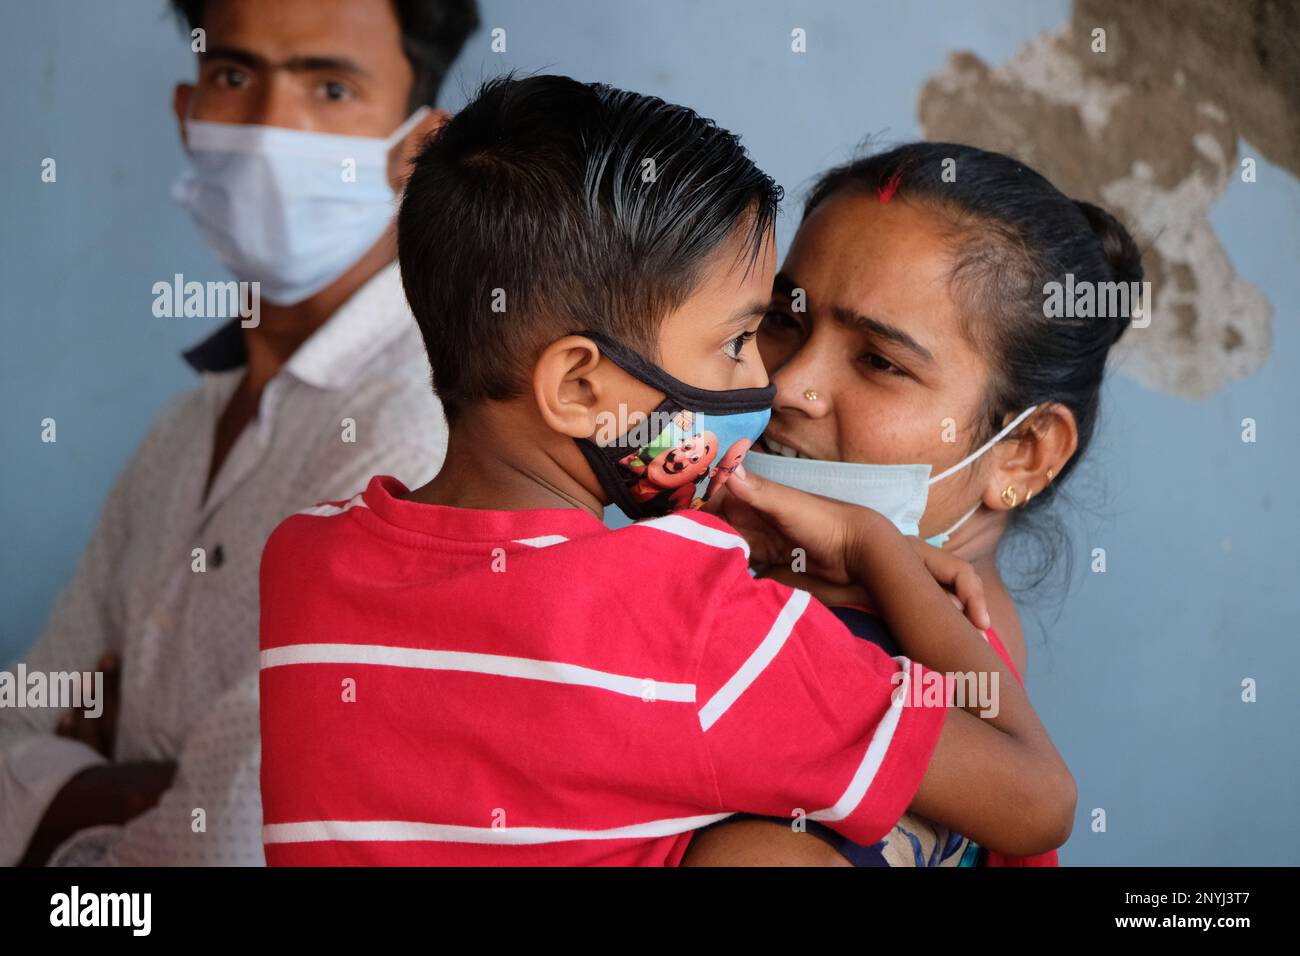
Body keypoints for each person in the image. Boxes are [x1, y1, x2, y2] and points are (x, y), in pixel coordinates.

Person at [257, 76, 1076, 866]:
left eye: (879, 360)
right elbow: (1038, 801)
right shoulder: (700, 626)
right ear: (580, 386)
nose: (771, 383)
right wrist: (870, 549)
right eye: (738, 342)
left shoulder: (304, 564)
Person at [0, 0, 478, 867]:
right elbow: (22, 708)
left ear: (420, 149)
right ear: (188, 112)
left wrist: (67, 800)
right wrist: (140, 785)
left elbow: (236, 834)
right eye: (233, 76)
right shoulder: (186, 426)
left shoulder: (431, 431)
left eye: (329, 87)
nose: (269, 130)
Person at [682, 142, 1143, 866]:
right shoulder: (971, 681)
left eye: (880, 362)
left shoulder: (836, 690)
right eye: (782, 319)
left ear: (1023, 455)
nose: (788, 385)